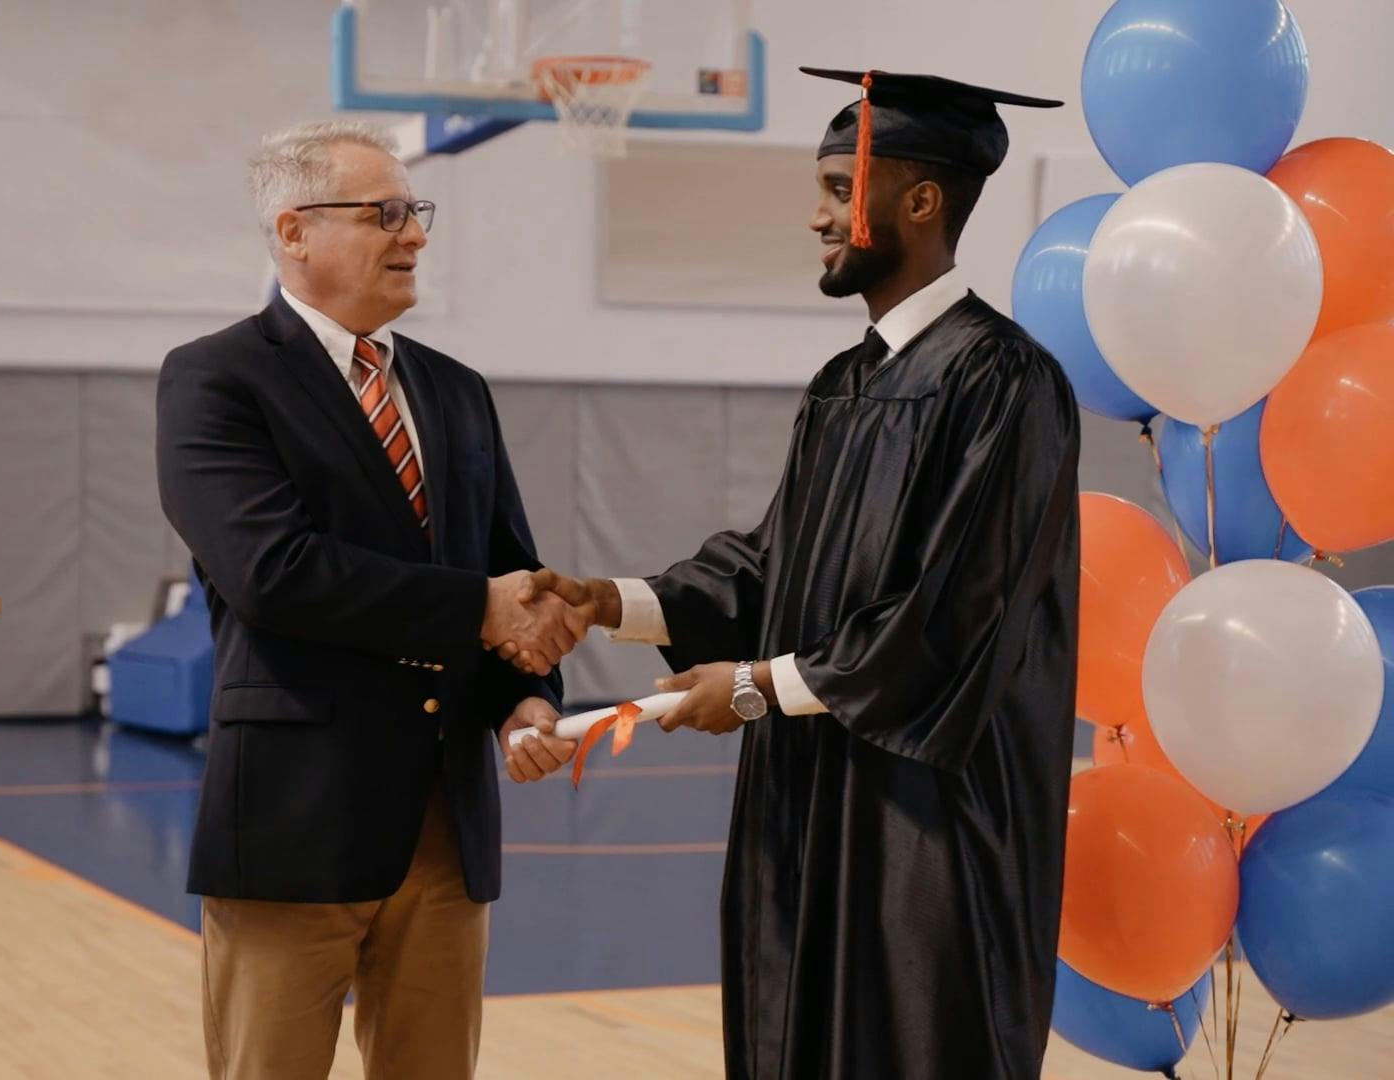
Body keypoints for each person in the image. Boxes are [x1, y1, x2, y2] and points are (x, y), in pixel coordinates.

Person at [506, 69, 1082, 1078]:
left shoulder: (1004, 381)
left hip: (929, 826)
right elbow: (774, 573)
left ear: (920, 199)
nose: (816, 215)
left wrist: (756, 686)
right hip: (812, 798)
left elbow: (955, 613)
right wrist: (610, 602)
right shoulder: (847, 382)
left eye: (835, 185)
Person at [155, 120, 585, 1080]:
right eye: (384, 214)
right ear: (294, 230)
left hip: (448, 825)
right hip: (293, 826)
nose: (415, 235)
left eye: (415, 212)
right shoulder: (216, 378)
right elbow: (274, 572)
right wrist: (480, 607)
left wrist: (528, 695)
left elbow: (514, 570)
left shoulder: (456, 390)